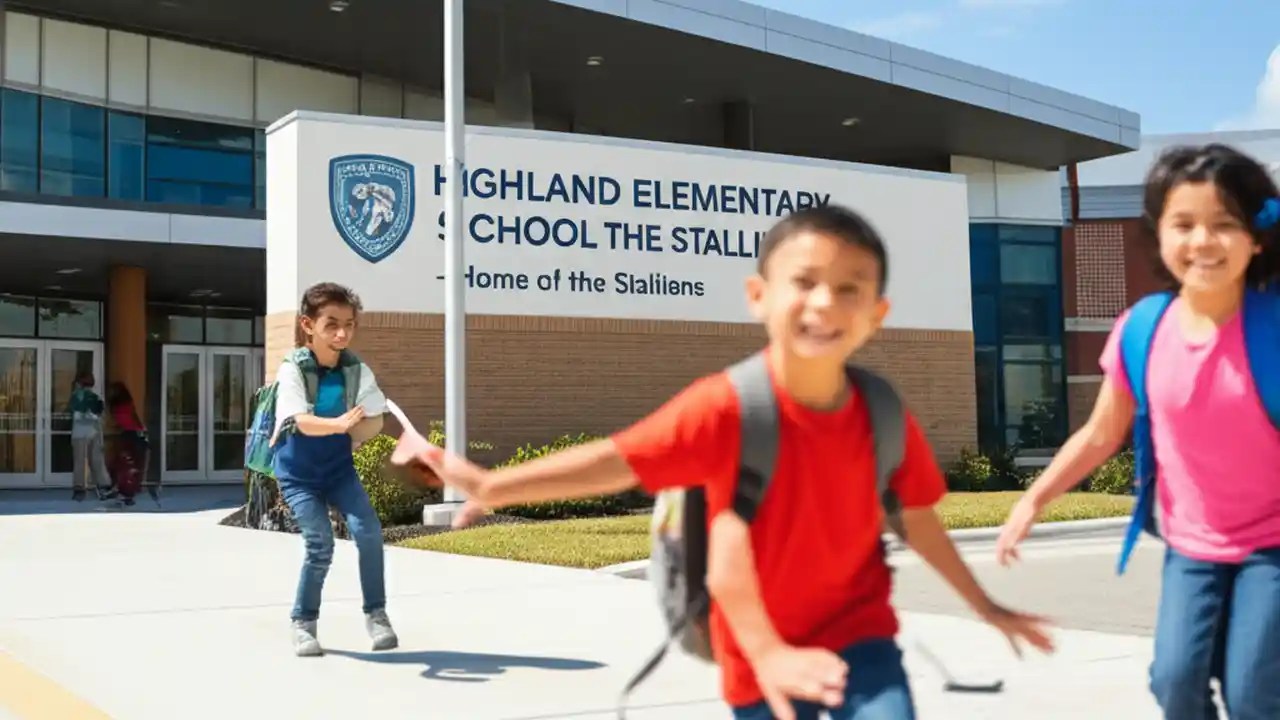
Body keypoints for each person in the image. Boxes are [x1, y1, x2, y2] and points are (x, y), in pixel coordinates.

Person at [411, 205, 1055, 720]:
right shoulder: (725, 409)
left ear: (876, 314)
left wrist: (986, 605)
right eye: (803, 282)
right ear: (758, 294)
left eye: (849, 288)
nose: (825, 303)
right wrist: (494, 485)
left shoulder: (881, 411)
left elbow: (916, 520)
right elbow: (625, 464)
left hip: (861, 638)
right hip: (756, 652)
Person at [994, 144, 1280, 719]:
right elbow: (1101, 434)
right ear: (1159, 234)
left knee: (1255, 694)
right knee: (1174, 683)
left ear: (1256, 237)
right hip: (1192, 544)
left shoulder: (1273, 328)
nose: (1202, 241)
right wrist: (1033, 500)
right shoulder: (1143, 329)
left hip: (1273, 545)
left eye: (1224, 224)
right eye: (1184, 224)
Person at [271, 282, 397, 657]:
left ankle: (377, 615)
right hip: (298, 474)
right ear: (308, 325)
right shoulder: (293, 369)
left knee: (369, 532)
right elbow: (301, 421)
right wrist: (343, 425)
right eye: (332, 324)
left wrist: (362, 427)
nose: (342, 333)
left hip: (338, 469)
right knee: (320, 543)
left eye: (349, 324)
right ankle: (303, 622)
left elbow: (375, 418)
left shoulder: (356, 370)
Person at [101, 381, 149, 507]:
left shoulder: (114, 405)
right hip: (132, 433)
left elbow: (117, 420)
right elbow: (134, 417)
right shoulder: (127, 403)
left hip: (124, 434)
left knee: (120, 463)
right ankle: (128, 489)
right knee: (131, 463)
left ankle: (122, 489)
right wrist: (142, 429)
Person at [68, 372, 110, 502]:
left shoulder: (76, 396)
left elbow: (74, 412)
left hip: (79, 432)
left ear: (79, 382)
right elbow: (100, 412)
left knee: (80, 460)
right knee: (96, 459)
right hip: (94, 431)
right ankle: (103, 484)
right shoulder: (96, 396)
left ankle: (79, 487)